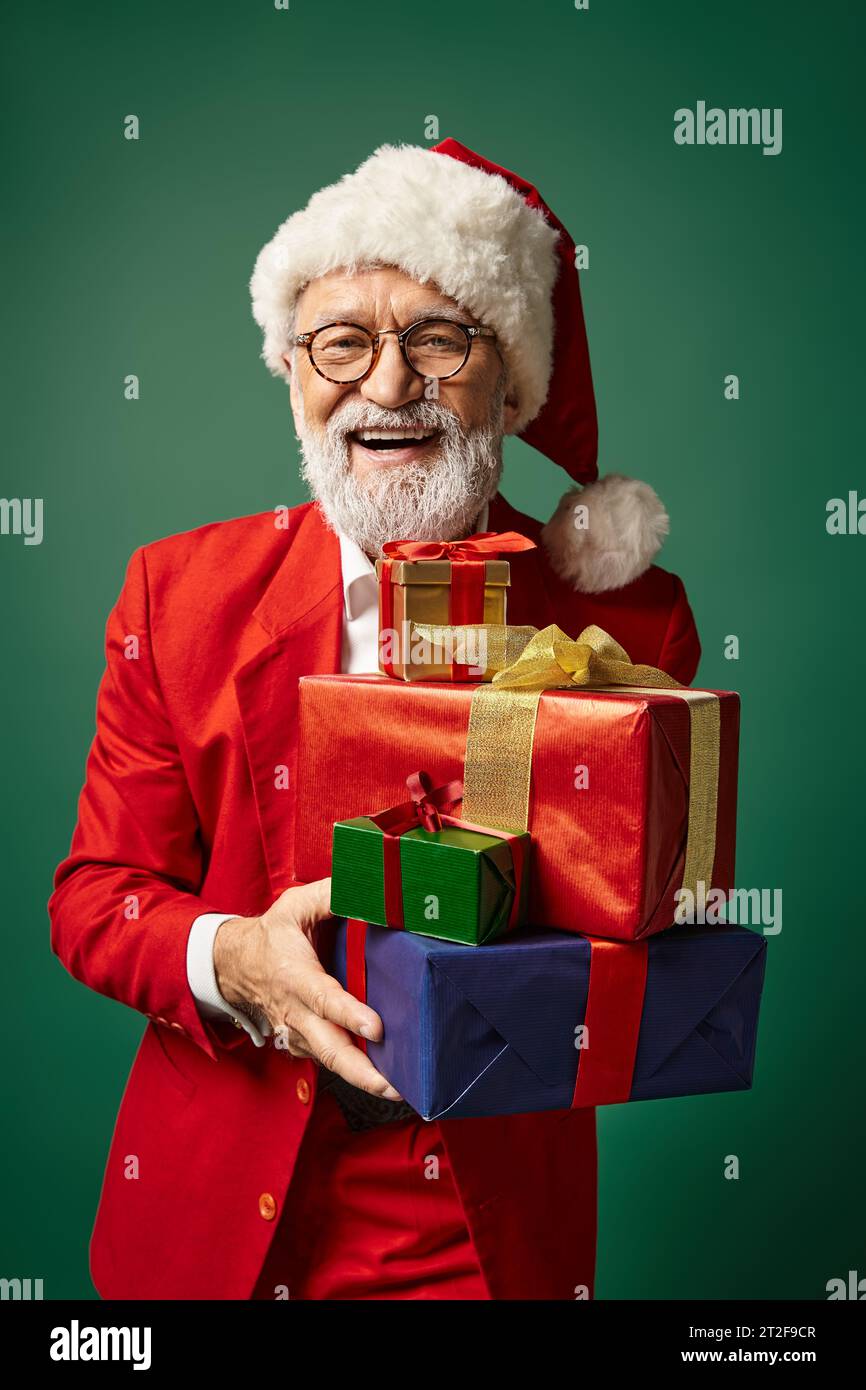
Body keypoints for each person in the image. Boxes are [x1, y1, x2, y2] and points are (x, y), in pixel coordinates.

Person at [50, 139, 700, 1300]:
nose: (387, 387)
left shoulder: (629, 632)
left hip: (484, 1237)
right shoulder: (178, 596)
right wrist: (231, 956)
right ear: (292, 372)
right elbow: (98, 894)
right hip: (218, 1228)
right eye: (340, 341)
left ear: (511, 380)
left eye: (438, 339)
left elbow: (659, 927)